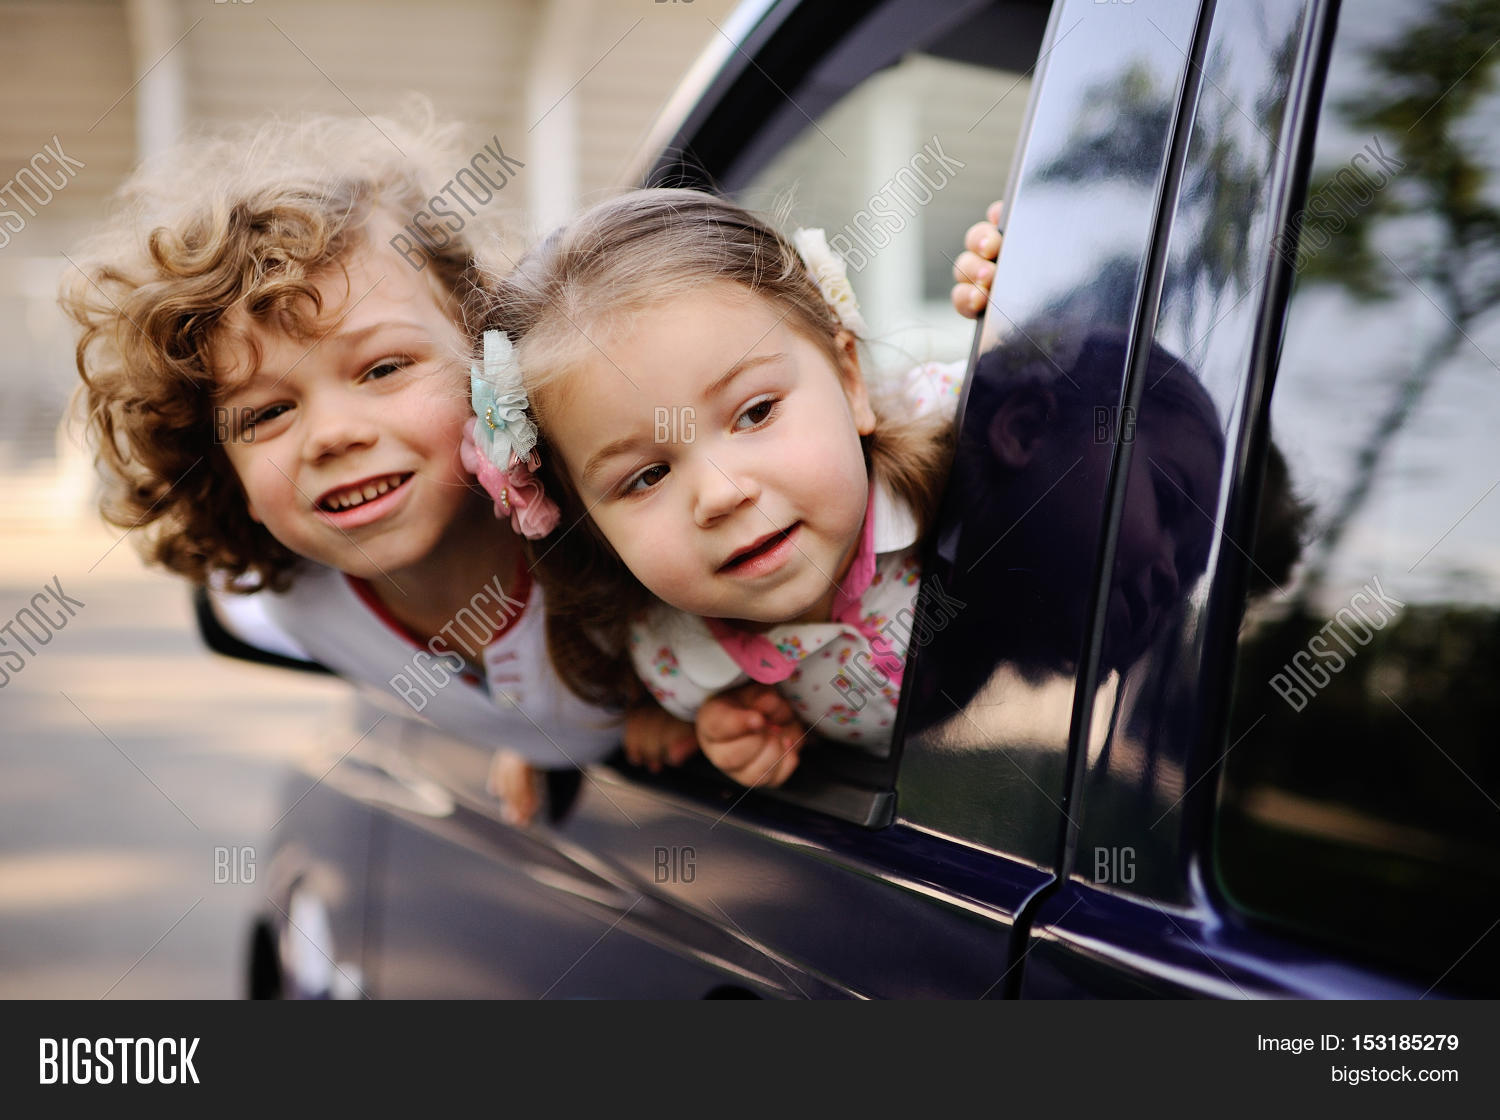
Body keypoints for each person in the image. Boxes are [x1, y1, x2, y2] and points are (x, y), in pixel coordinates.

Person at [60, 107, 690, 827]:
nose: (330, 435)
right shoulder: (299, 607)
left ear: (487, 352)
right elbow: (521, 688)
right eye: (265, 414)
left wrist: (701, 705)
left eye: (384, 367)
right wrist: (541, 737)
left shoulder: (617, 522)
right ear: (218, 474)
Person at [465, 188, 965, 788]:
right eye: (646, 477)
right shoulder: (677, 660)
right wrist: (730, 733)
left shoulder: (978, 446)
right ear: (589, 524)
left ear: (850, 377)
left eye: (755, 413)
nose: (722, 494)